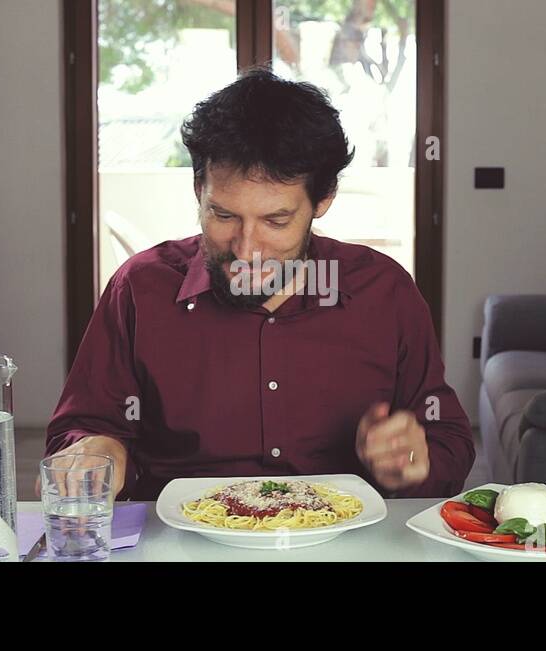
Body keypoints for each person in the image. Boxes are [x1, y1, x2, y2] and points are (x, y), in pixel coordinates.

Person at [43, 68, 474, 500]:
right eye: (224, 215)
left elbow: (448, 441)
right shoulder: (139, 289)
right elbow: (79, 429)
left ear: (322, 200)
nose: (246, 250)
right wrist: (100, 449)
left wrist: (413, 461)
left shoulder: (385, 292)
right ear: (199, 191)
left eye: (276, 220)